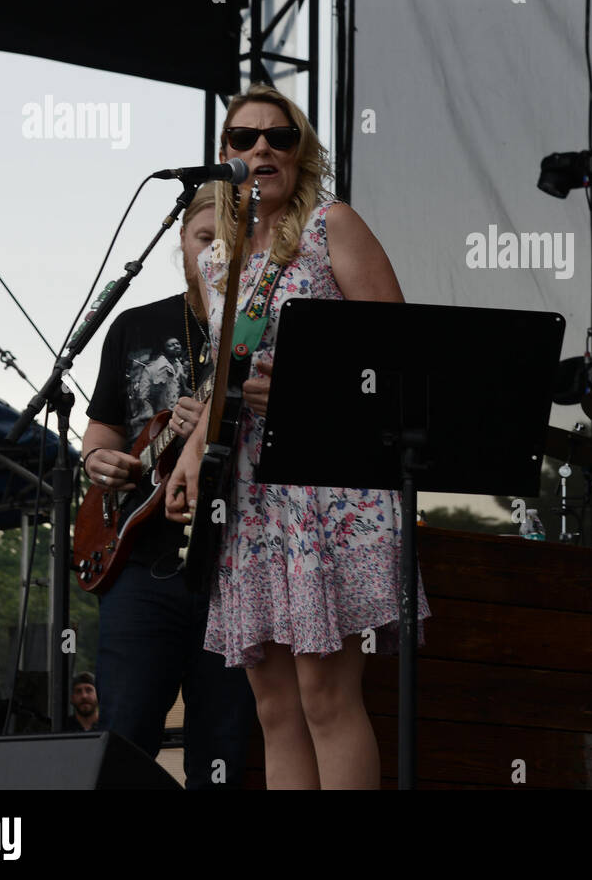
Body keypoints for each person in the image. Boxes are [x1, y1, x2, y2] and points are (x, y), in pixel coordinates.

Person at [164, 82, 430, 791]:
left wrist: (306, 388)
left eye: (278, 137)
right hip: (250, 495)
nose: (261, 149)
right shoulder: (218, 260)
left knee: (324, 696)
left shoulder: (329, 226)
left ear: (299, 150)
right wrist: (189, 457)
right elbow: (222, 383)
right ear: (225, 156)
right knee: (275, 708)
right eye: (245, 138)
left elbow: (399, 353)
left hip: (328, 484)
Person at [82, 183, 257, 787]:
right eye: (203, 238)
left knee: (225, 744)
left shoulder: (261, 325)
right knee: (123, 738)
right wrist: (99, 463)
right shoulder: (134, 326)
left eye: (227, 243)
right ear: (180, 243)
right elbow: (100, 432)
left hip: (236, 562)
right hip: (137, 560)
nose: (213, 253)